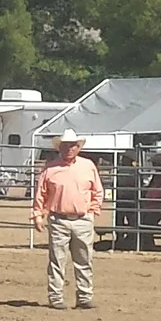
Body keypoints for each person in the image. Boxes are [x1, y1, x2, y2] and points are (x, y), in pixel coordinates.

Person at [32, 128, 106, 310]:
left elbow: (98, 190)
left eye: (73, 145)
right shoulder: (50, 168)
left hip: (82, 219)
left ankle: (84, 296)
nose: (70, 149)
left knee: (84, 259)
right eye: (66, 146)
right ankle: (56, 297)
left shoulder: (88, 165)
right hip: (59, 219)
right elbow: (40, 194)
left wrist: (93, 209)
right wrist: (37, 215)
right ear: (60, 147)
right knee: (57, 260)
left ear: (78, 147)